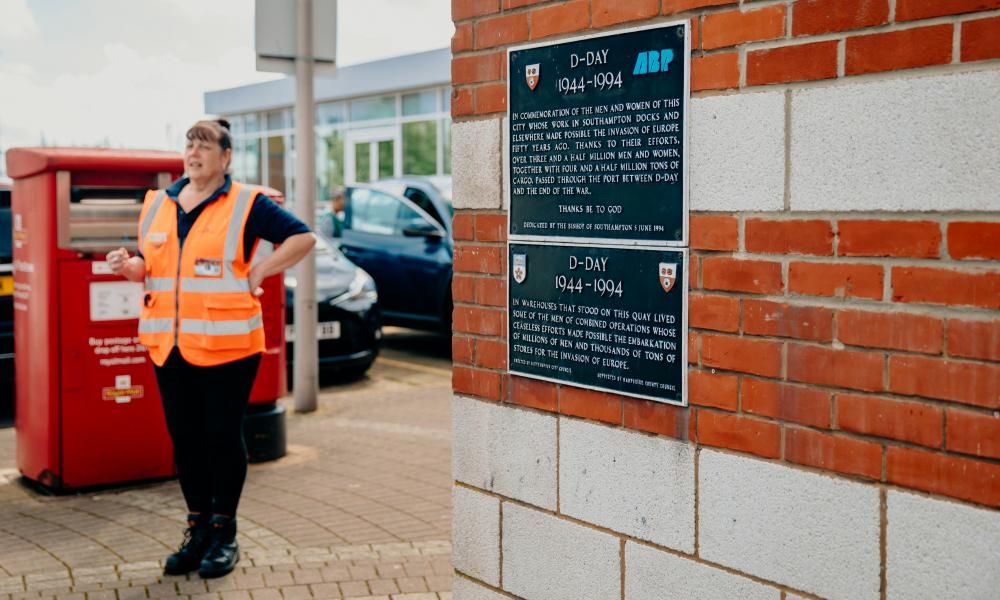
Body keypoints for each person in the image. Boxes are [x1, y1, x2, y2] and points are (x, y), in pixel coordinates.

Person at [105, 119, 315, 579]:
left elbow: (302, 237)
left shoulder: (245, 203)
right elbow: (153, 263)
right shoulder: (159, 204)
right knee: (186, 438)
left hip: (228, 345)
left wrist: (262, 270)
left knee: (221, 436)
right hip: (169, 343)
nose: (194, 153)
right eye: (189, 145)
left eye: (204, 146)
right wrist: (130, 266)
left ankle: (225, 533)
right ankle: (197, 529)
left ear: (226, 158)